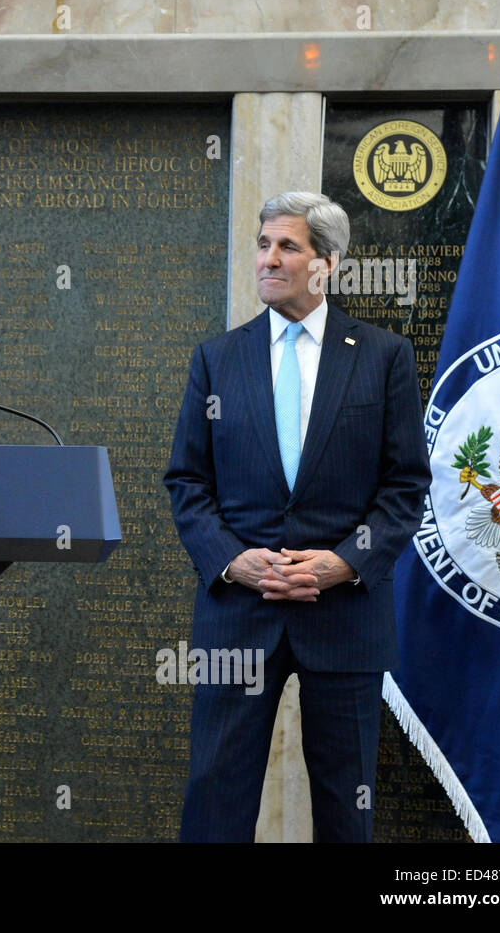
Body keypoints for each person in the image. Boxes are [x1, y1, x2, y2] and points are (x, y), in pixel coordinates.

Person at [163, 192, 430, 842]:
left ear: (327, 264)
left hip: (344, 616)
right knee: (214, 799)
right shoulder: (217, 359)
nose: (269, 258)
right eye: (263, 244)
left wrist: (345, 562)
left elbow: (405, 485)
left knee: (347, 806)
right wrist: (231, 558)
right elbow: (187, 481)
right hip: (237, 612)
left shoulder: (382, 356)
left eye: (287, 246)